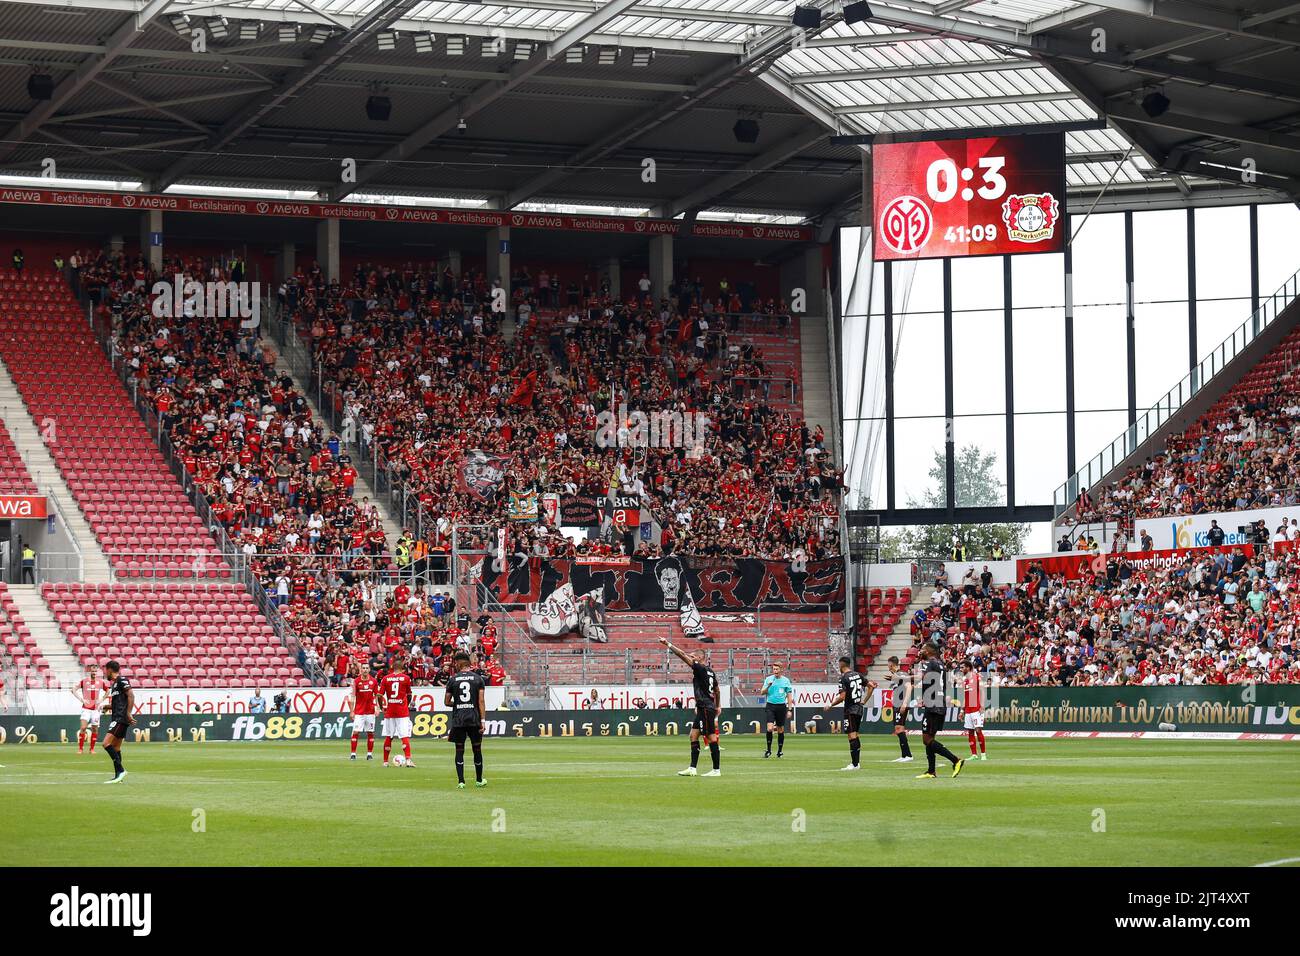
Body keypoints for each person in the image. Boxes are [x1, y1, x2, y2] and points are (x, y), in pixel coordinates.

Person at [661, 637, 720, 777]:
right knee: (693, 735)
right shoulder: (711, 671)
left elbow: (682, 655)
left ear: (700, 658)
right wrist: (718, 706)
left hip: (705, 707)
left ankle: (716, 770)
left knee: (711, 737)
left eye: (693, 656)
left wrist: (668, 644)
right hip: (704, 706)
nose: (691, 658)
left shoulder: (699, 667)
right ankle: (692, 768)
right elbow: (717, 690)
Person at [915, 645, 964, 780]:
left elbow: (924, 679)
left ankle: (955, 760)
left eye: (924, 649)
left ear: (930, 651)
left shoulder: (931, 664)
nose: (921, 651)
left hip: (933, 704)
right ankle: (931, 771)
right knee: (930, 738)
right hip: (938, 702)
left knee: (927, 739)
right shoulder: (941, 664)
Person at [824, 656, 875, 771]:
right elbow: (871, 686)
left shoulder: (843, 678)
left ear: (841, 664)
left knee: (851, 736)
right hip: (859, 708)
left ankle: (855, 764)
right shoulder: (858, 675)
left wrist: (830, 705)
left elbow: (842, 697)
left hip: (850, 710)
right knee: (855, 735)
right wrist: (864, 701)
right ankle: (856, 763)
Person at [445, 651, 487, 789]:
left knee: (459, 750)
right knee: (477, 749)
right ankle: (479, 780)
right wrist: (483, 721)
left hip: (459, 719)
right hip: (474, 717)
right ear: (469, 665)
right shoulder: (478, 679)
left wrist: (458, 704)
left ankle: (461, 781)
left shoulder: (453, 679)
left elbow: (447, 701)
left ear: (459, 664)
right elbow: (481, 701)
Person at [100, 660, 133, 784]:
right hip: (117, 717)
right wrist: (106, 707)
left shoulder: (121, 680)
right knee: (116, 747)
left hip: (120, 718)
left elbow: (131, 695)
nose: (104, 673)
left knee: (106, 743)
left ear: (109, 669)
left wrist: (128, 713)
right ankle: (118, 777)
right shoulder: (114, 685)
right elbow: (117, 704)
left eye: (105, 670)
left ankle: (121, 770)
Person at [378, 656, 414, 767]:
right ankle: (408, 760)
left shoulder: (385, 678)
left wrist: (381, 707)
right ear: (403, 668)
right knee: (404, 736)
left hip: (390, 711)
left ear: (392, 667)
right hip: (402, 711)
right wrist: (406, 705)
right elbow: (409, 695)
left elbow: (379, 695)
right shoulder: (406, 678)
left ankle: (385, 762)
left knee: (389, 736)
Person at [759, 660, 794, 758]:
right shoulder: (768, 679)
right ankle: (769, 750)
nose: (775, 671)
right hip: (770, 705)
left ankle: (779, 751)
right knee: (769, 728)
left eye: (777, 669)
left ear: (781, 669)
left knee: (780, 730)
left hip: (781, 707)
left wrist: (790, 709)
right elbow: (762, 692)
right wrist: (768, 686)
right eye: (774, 669)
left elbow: (789, 695)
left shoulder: (786, 681)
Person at [344, 661, 378, 761]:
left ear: (369, 670)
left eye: (367, 668)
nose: (365, 670)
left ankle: (369, 754)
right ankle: (353, 754)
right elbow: (353, 696)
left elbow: (377, 696)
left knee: (370, 732)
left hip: (370, 712)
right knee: (355, 732)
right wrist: (351, 711)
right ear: (361, 669)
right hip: (359, 712)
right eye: (363, 668)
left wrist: (378, 709)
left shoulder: (374, 681)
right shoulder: (356, 681)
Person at [73, 663, 106, 755]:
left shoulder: (100, 682)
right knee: (83, 727)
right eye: (92, 671)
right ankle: (80, 749)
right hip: (86, 709)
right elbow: (73, 689)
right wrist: (81, 699)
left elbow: (107, 691)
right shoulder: (84, 681)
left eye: (95, 671)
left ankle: (91, 749)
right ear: (89, 671)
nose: (94, 672)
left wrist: (102, 699)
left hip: (96, 710)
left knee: (95, 729)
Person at [957, 660, 987, 761]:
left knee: (978, 730)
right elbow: (965, 697)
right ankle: (974, 754)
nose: (961, 670)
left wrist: (982, 706)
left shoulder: (977, 676)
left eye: (962, 667)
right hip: (968, 711)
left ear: (968, 668)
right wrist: (962, 711)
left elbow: (982, 690)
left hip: (976, 709)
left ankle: (983, 754)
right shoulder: (965, 681)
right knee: (970, 732)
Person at [885, 656, 913, 763]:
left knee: (899, 728)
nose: (888, 666)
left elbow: (909, 686)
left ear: (891, 664)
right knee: (898, 728)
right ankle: (905, 755)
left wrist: (904, 703)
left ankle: (907, 755)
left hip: (901, 703)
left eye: (888, 664)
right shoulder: (896, 675)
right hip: (897, 704)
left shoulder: (901, 674)